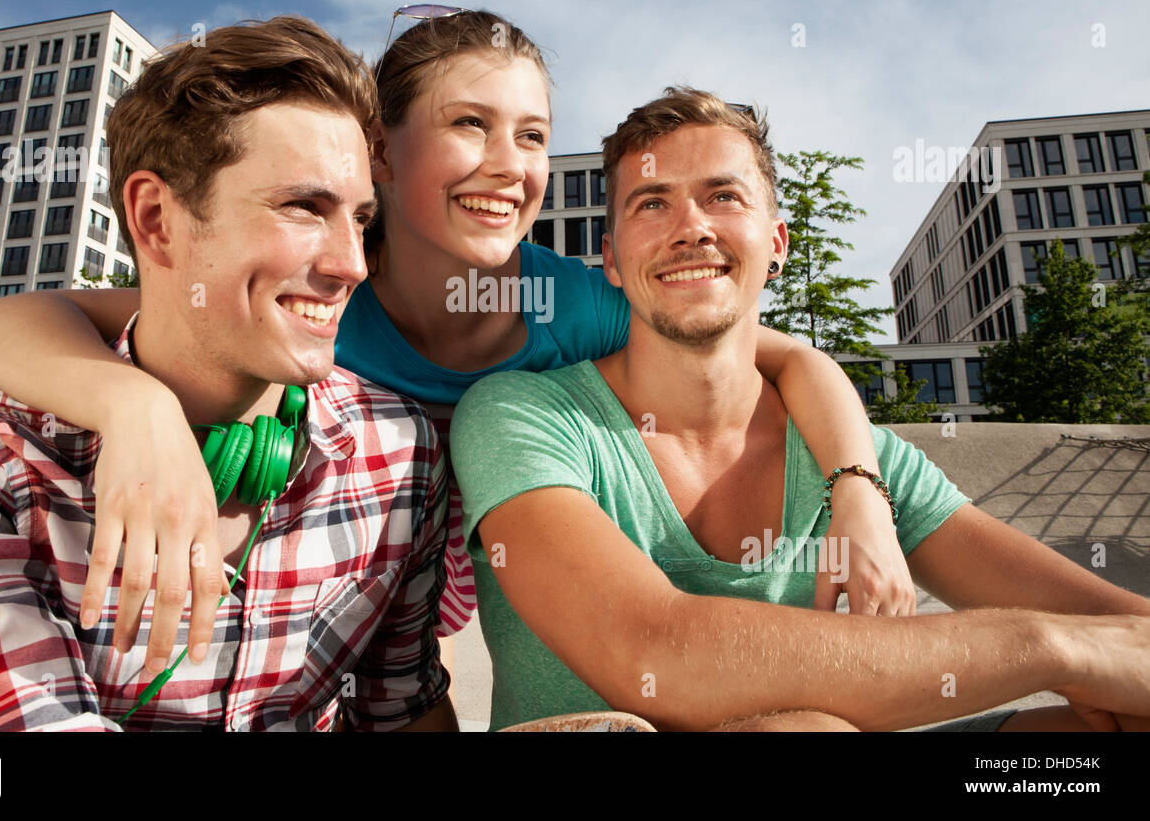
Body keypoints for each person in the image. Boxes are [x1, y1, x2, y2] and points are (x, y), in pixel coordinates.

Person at [0, 10, 914, 683]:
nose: (510, 165)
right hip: (365, 565)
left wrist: (858, 496)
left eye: (533, 135)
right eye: (469, 125)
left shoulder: (567, 298)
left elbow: (787, 360)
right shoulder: (318, 291)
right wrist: (136, 406)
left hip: (497, 561)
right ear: (381, 152)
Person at [449, 86, 1150, 731]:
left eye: (723, 196)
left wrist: (861, 491)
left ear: (777, 243)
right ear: (609, 258)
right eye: (652, 202)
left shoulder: (855, 459)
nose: (690, 227)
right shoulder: (520, 417)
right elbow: (654, 650)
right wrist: (1049, 646)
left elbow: (1119, 629)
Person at [0, 16, 456, 731]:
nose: (352, 263)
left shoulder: (400, 451)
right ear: (156, 219)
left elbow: (400, 708)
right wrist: (135, 409)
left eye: (360, 219)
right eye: (303, 207)